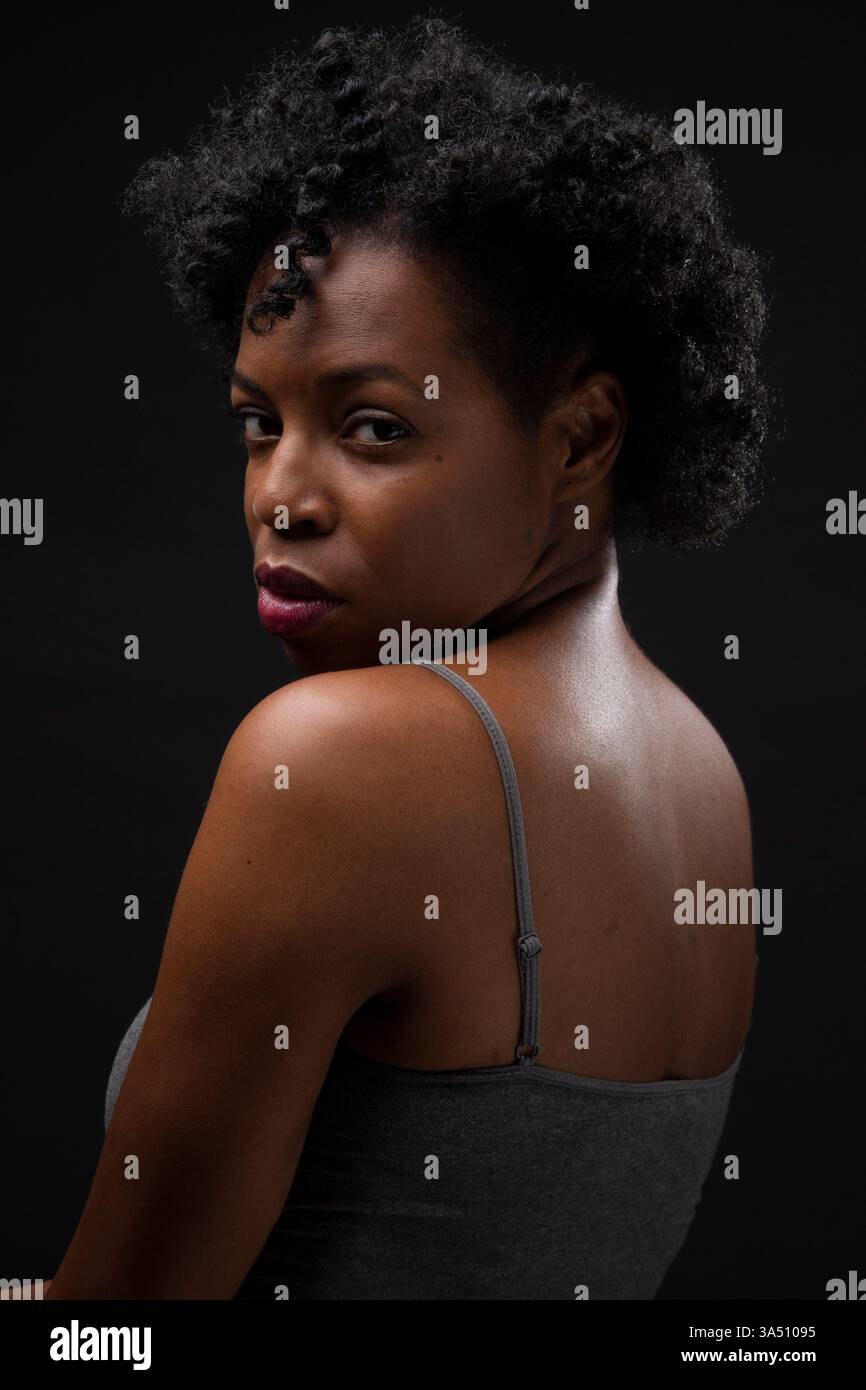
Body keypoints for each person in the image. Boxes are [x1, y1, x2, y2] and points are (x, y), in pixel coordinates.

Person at [45, 16, 766, 1300]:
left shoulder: (343, 760)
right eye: (258, 424)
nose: (283, 494)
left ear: (582, 437)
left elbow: (116, 1333)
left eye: (372, 426)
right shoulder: (702, 776)